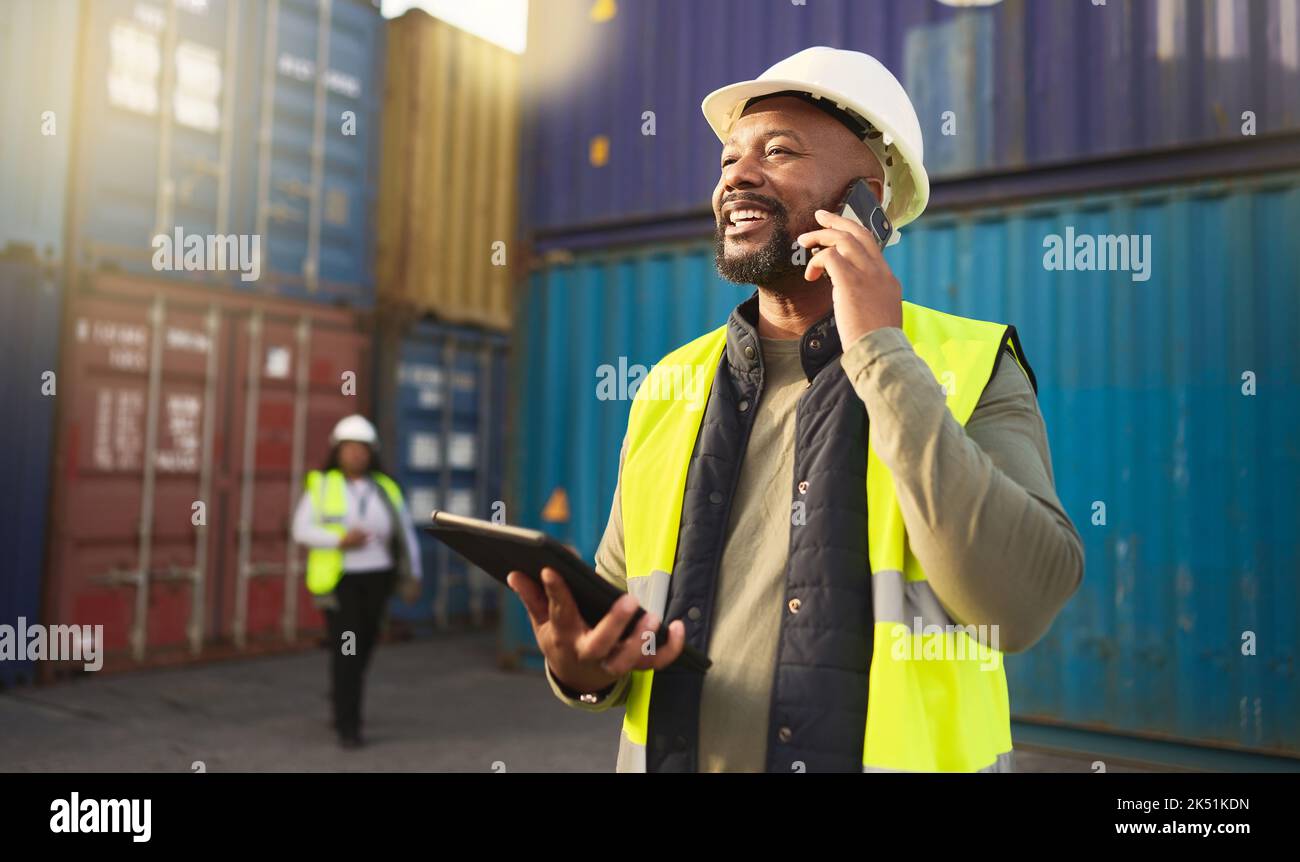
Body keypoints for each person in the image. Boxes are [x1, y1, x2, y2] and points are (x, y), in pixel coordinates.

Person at [507, 47, 1084, 773]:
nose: (738, 177)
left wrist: (878, 347)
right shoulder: (670, 384)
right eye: (727, 161)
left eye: (778, 151)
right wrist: (581, 671)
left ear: (865, 198)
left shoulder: (968, 366)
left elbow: (1020, 602)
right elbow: (621, 627)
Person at [292, 414, 422, 749]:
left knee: (364, 646)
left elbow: (405, 533)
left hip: (378, 578)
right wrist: (339, 540)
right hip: (342, 582)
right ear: (337, 452)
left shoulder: (387, 487)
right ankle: (348, 726)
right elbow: (300, 530)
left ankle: (341, 697)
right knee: (348, 650)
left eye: (361, 449)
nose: (356, 455)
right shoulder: (321, 485)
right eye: (349, 449)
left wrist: (414, 575)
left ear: (371, 453)